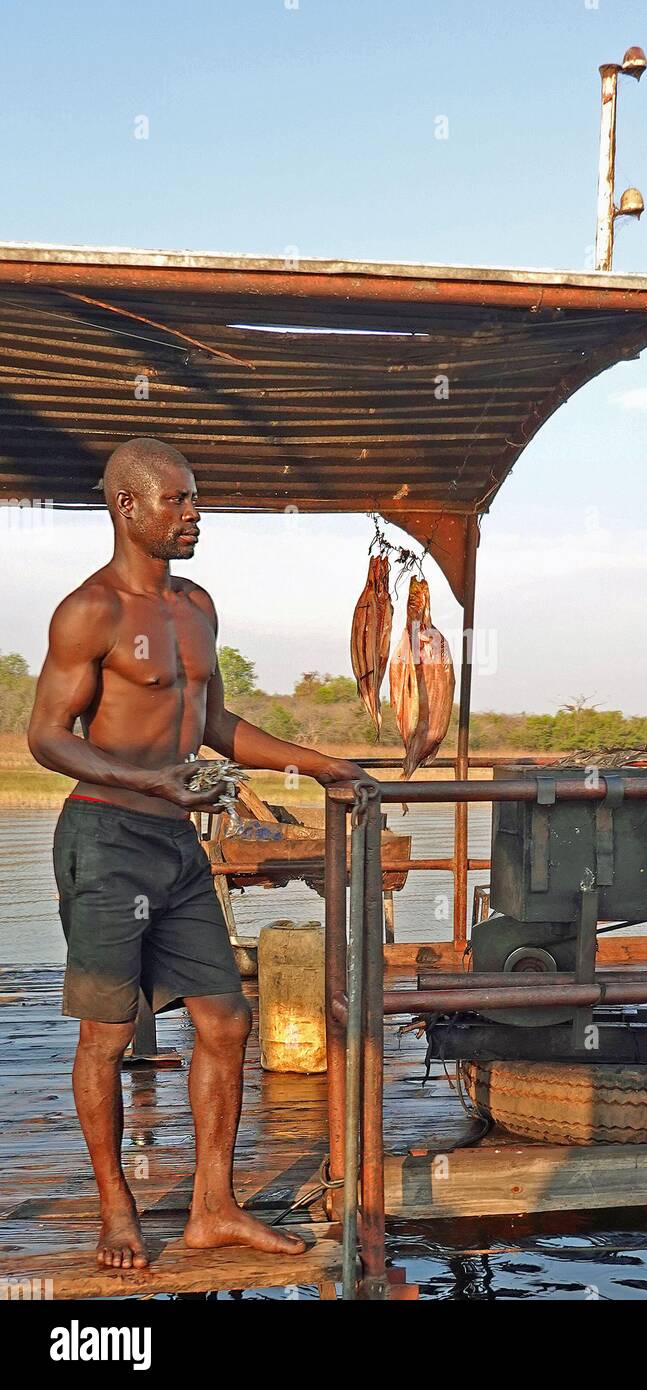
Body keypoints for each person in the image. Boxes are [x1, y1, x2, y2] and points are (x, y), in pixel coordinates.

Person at [27, 436, 369, 1271]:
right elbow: (43, 736)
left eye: (194, 499)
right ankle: (118, 1209)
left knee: (227, 1019)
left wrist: (320, 763)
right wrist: (147, 786)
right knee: (108, 1035)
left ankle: (212, 1210)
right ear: (127, 507)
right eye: (178, 500)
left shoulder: (197, 606)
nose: (194, 514)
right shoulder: (89, 610)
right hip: (106, 838)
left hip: (177, 842)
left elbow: (215, 726)